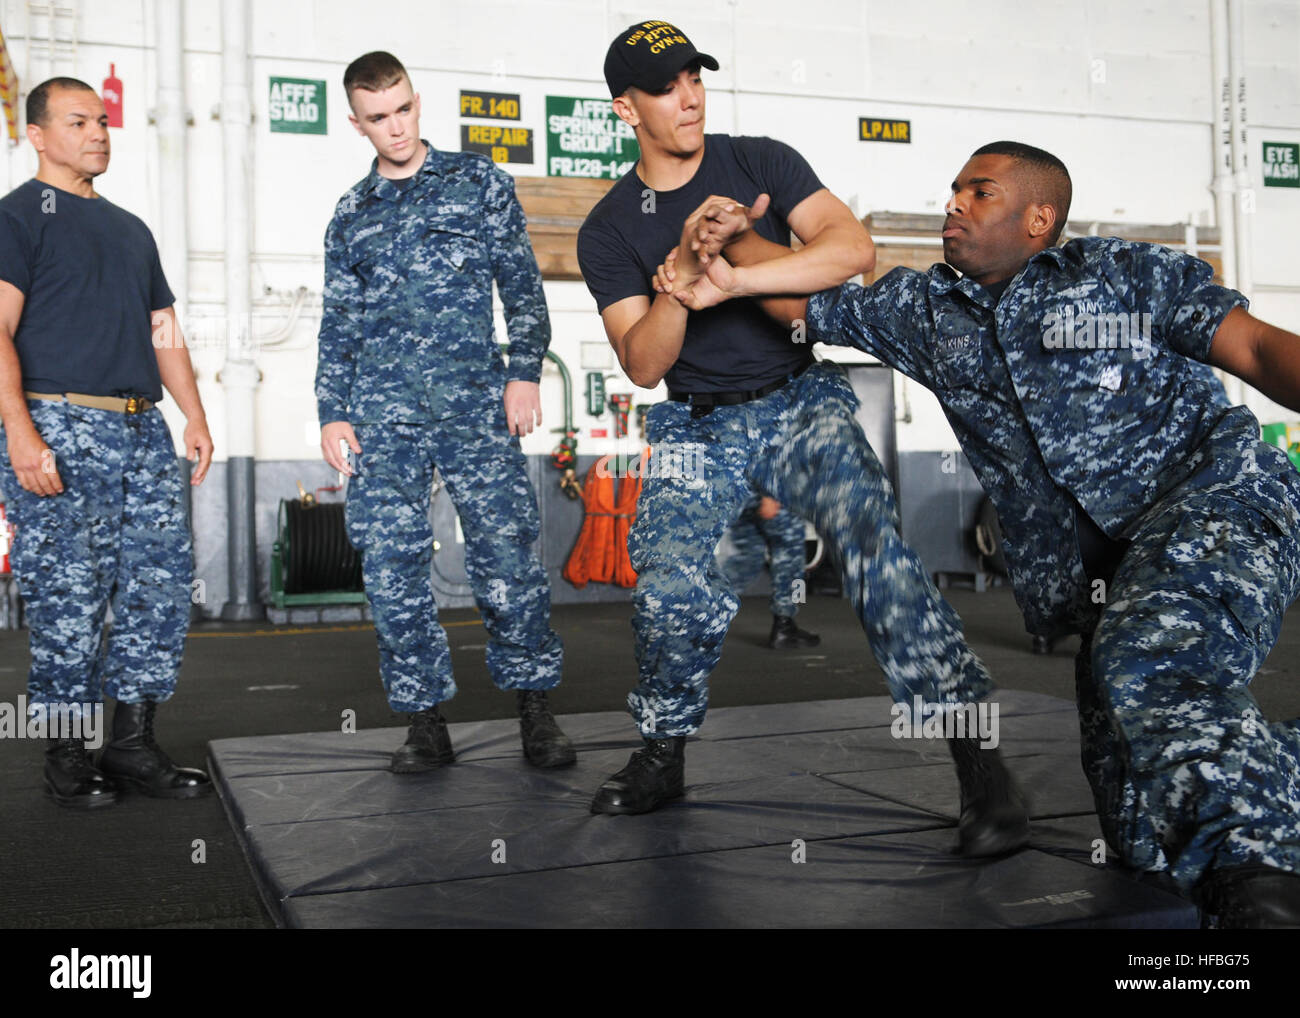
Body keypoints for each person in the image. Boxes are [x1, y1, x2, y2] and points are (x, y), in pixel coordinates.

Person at [663, 140, 1300, 927]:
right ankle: (1266, 792)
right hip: (1091, 587)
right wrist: (731, 239)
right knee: (1141, 835)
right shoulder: (926, 314)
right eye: (954, 189)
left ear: (1039, 218)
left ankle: (1259, 892)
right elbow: (805, 304)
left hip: (1213, 506)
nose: (954, 203)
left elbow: (1258, 348)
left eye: (980, 191)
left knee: (1152, 658)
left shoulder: (1123, 274)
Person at [576, 21, 1027, 859]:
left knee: (875, 553)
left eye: (695, 78)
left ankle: (979, 765)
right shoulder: (608, 227)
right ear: (624, 109)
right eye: (668, 87)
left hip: (795, 396)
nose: (690, 97)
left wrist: (739, 272)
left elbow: (850, 252)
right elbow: (643, 362)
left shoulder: (760, 160)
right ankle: (663, 751)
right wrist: (680, 273)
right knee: (666, 583)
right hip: (695, 421)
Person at [315, 51, 573, 772]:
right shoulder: (350, 216)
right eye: (377, 118)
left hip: (475, 407)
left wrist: (523, 373)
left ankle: (535, 712)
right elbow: (338, 324)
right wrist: (332, 411)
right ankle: (424, 722)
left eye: (403, 110)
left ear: (416, 102)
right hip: (381, 413)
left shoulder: (478, 182)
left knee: (505, 555)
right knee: (390, 565)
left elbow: (522, 290)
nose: (394, 129)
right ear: (356, 122)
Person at [0, 78, 214, 808]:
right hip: (57, 423)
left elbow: (164, 332)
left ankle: (130, 744)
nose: (98, 132)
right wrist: (21, 435)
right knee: (69, 596)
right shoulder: (17, 218)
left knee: (157, 590)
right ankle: (66, 752)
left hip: (140, 427)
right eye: (78, 121)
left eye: (102, 120)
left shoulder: (130, 229)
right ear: (36, 134)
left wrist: (194, 414)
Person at [720, 494, 820, 648]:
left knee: (745, 558)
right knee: (791, 550)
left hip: (737, 490)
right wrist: (769, 493)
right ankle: (784, 625)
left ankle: (696, 620)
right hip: (765, 488)